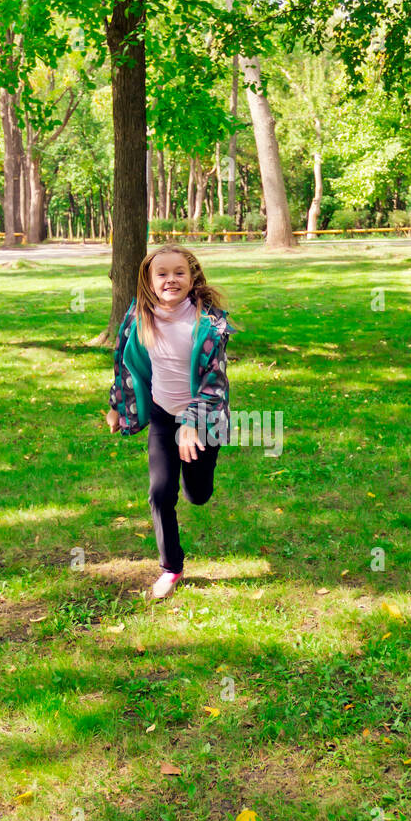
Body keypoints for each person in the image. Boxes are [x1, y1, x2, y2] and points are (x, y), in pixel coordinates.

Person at [106, 246, 233, 599]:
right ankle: (171, 567)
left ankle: (199, 484)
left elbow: (215, 383)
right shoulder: (138, 316)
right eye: (161, 273)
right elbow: (124, 362)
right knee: (161, 493)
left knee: (198, 494)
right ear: (148, 280)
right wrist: (117, 405)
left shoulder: (208, 324)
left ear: (192, 278)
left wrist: (193, 423)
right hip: (164, 417)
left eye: (179, 272)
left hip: (204, 421)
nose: (170, 279)